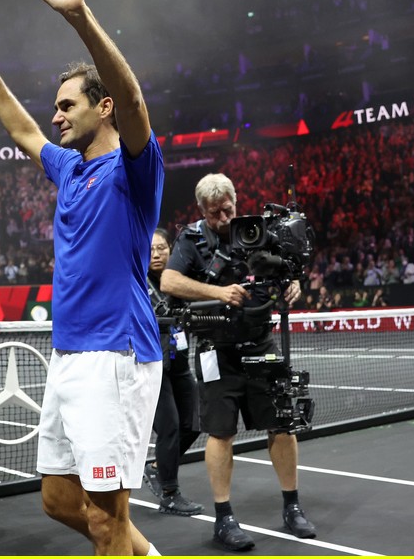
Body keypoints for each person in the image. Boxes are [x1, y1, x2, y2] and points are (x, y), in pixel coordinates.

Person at [0, 0, 164, 555]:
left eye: (66, 106)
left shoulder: (134, 168)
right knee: (57, 499)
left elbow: (133, 99)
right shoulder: (70, 168)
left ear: (101, 108)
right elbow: (22, 128)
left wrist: (78, 15)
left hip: (117, 354)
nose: (55, 117)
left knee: (108, 519)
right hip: (69, 352)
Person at [160, 173, 316, 550]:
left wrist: (292, 284)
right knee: (220, 433)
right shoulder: (191, 239)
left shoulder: (257, 231)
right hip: (217, 351)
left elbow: (288, 269)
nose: (224, 218)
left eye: (227, 208)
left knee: (282, 425)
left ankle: (292, 507)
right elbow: (168, 281)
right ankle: (224, 518)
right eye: (214, 213)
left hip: (261, 343)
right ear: (203, 211)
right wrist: (217, 291)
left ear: (235, 199)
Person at [143, 229, 204, 517]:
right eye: (151, 249)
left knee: (193, 423)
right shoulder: (137, 283)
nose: (156, 254)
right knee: (169, 427)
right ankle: (169, 493)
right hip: (153, 365)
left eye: (162, 248)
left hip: (179, 362)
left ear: (171, 250)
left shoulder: (180, 279)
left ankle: (157, 467)